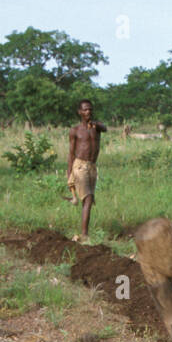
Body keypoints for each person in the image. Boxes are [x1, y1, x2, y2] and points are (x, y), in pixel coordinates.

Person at [67, 99, 107, 239]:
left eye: (90, 109)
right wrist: (69, 175)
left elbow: (105, 128)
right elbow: (71, 153)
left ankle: (84, 232)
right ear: (79, 112)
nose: (88, 111)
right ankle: (84, 234)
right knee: (88, 198)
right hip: (80, 166)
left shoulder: (96, 128)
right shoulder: (75, 131)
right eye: (85, 109)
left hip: (92, 167)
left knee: (87, 200)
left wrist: (96, 124)